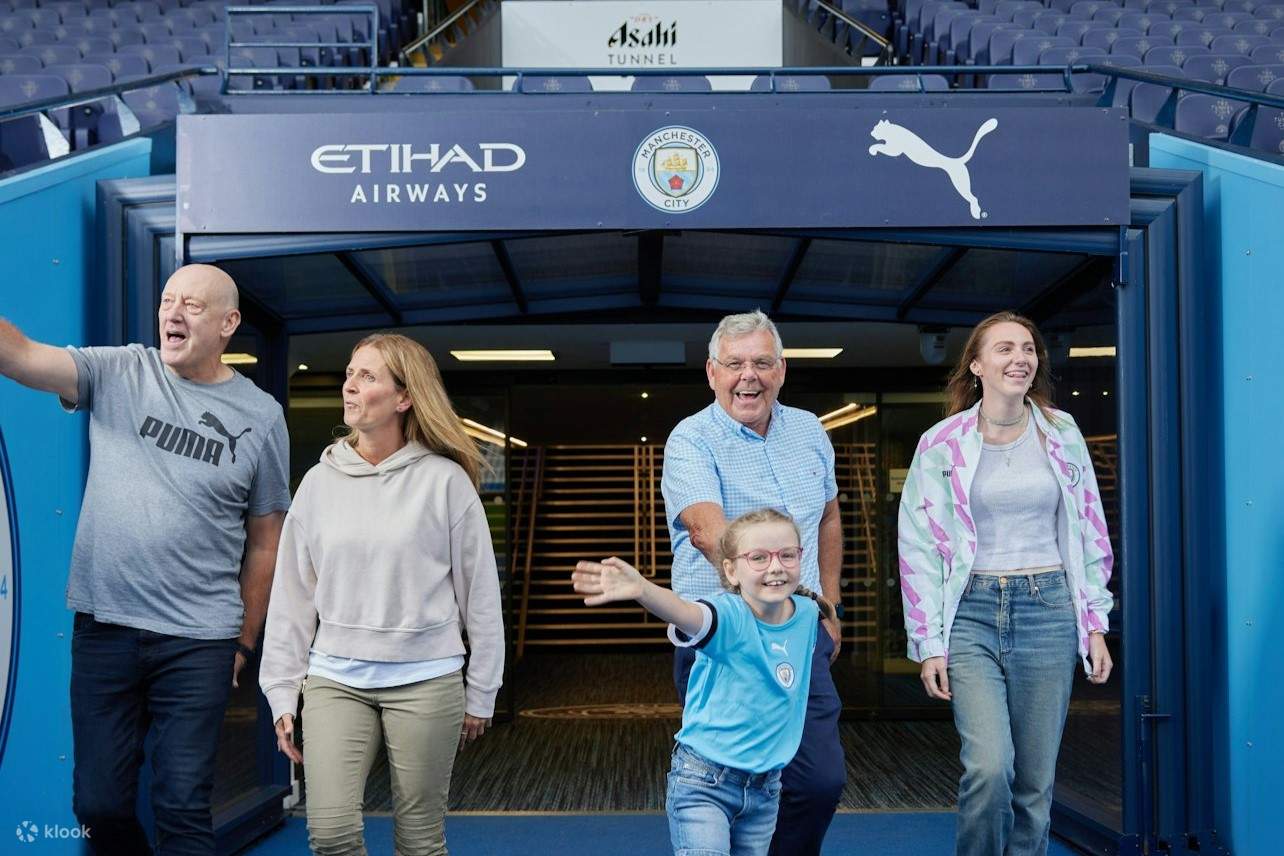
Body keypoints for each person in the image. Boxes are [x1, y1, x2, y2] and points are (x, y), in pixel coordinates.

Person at [0, 264, 291, 855]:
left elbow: (266, 539)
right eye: (167, 300)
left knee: (182, 803)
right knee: (99, 804)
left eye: (193, 304)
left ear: (229, 324)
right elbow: (22, 356)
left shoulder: (261, 418)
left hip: (198, 639)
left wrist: (242, 641)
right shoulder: (120, 371)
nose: (173, 312)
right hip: (106, 629)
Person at [259, 332, 505, 856]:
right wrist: (282, 688)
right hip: (334, 680)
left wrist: (482, 689)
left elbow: (480, 597)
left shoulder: (444, 482)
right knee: (329, 834)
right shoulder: (318, 483)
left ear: (404, 396)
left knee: (419, 842)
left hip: (427, 680)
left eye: (367, 376)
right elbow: (292, 598)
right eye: (350, 372)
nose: (349, 385)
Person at [897, 311, 1114, 856]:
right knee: (990, 768)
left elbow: (1088, 530)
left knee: (1035, 784)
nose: (1020, 358)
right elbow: (918, 544)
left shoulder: (1061, 433)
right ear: (976, 365)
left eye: (1028, 349)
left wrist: (1094, 624)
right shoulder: (941, 442)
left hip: (1048, 607)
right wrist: (928, 644)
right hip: (969, 611)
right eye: (1004, 349)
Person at [660, 309, 845, 856]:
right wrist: (769, 585)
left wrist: (827, 602)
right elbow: (704, 529)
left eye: (762, 362)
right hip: (724, 640)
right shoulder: (691, 438)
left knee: (817, 781)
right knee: (730, 783)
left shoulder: (811, 430)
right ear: (712, 372)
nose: (749, 376)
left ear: (782, 369)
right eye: (735, 363)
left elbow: (830, 516)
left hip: (800, 633)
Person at [574, 509, 837, 856]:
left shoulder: (806, 614)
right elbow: (686, 613)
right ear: (731, 570)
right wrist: (643, 589)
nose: (775, 567)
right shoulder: (728, 614)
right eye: (758, 558)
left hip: (765, 789)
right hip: (704, 783)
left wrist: (833, 615)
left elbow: (819, 617)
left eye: (787, 555)